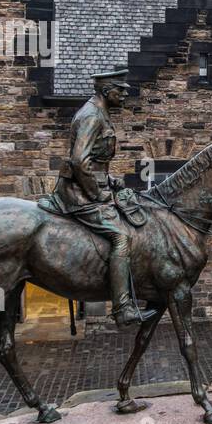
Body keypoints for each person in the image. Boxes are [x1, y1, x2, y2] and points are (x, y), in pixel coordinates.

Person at [42, 66, 154, 327]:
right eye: (120, 91)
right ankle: (122, 307)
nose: (124, 95)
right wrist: (98, 193)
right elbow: (79, 161)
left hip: (91, 186)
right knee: (121, 238)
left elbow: (94, 161)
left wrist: (109, 179)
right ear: (106, 90)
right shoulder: (92, 115)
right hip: (79, 194)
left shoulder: (100, 111)